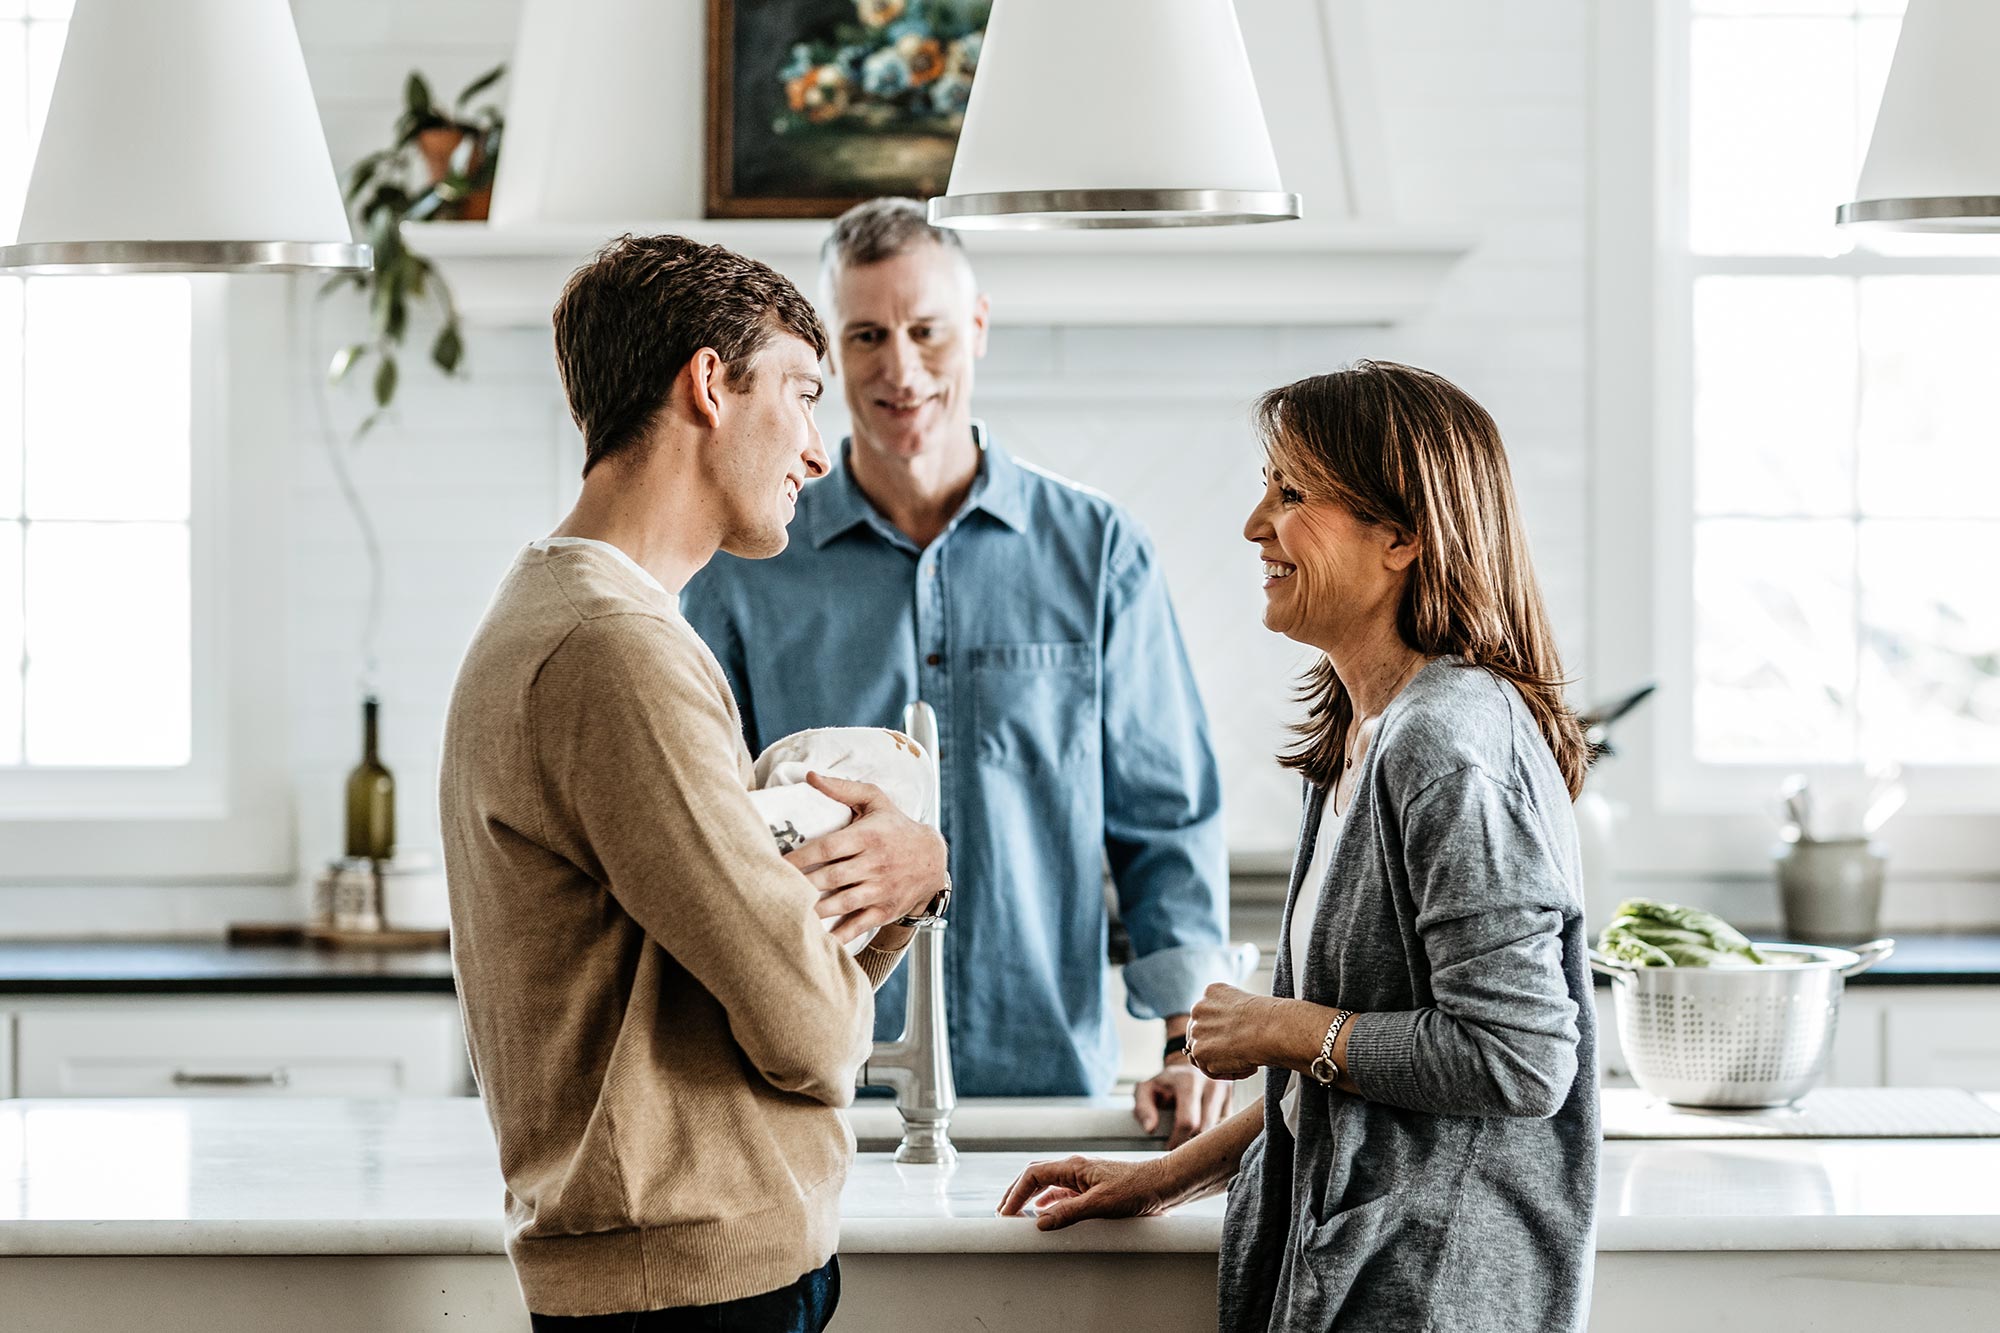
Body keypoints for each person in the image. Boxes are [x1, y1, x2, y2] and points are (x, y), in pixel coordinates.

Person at [998, 361, 1600, 1332]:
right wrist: (1163, 1178)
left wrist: (1282, 1027)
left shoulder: (1448, 745)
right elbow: (1337, 1077)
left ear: (1401, 535)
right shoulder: (1365, 738)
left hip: (1433, 1295)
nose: (1254, 525)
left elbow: (1516, 1056)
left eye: (1291, 494)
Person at [440, 234, 949, 1332]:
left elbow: (726, 961)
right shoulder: (612, 647)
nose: (817, 451)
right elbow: (812, 1034)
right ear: (709, 385)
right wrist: (906, 881)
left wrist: (885, 888)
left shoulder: (574, 618)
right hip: (687, 1289)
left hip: (670, 1274)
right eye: (802, 394)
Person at [681, 198, 1238, 1143]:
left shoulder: (1097, 552)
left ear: (976, 328)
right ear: (828, 353)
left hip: (1048, 1089)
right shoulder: (748, 566)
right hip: (814, 1096)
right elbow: (706, 826)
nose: (900, 369)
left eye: (927, 330)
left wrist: (1190, 1043)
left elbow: (1164, 815)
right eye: (866, 335)